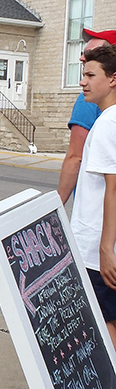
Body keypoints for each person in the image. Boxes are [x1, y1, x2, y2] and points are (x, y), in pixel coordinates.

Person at [70, 45, 116, 350]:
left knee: (104, 325)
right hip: (102, 248)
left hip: (95, 251)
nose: (83, 82)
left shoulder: (106, 125)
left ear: (112, 79)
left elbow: (113, 189)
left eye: (90, 75)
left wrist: (104, 249)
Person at [57, 28, 116, 204]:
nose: (83, 57)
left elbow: (75, 156)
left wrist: (56, 206)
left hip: (94, 212)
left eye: (92, 53)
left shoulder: (90, 100)